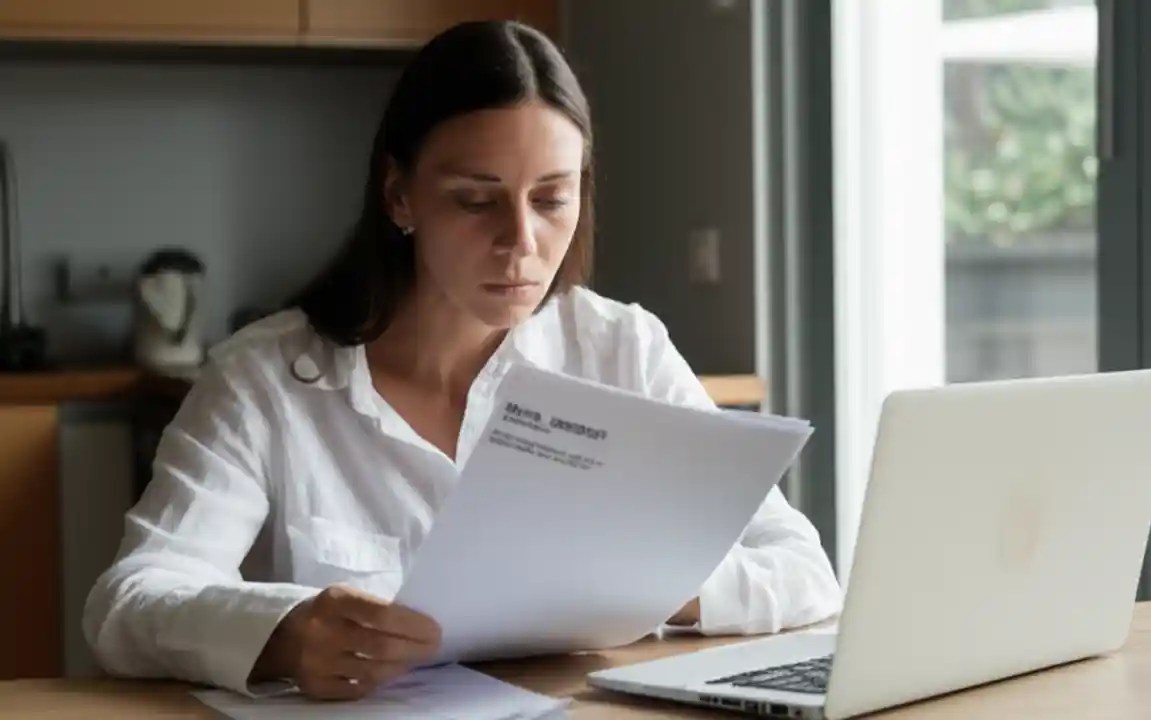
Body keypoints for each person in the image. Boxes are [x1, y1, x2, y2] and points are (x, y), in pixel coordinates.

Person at [83, 20, 841, 700]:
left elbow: (805, 574)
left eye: (551, 199)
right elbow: (128, 602)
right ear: (399, 196)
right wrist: (285, 631)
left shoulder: (620, 348)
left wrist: (645, 585)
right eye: (477, 201)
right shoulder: (266, 380)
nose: (522, 241)